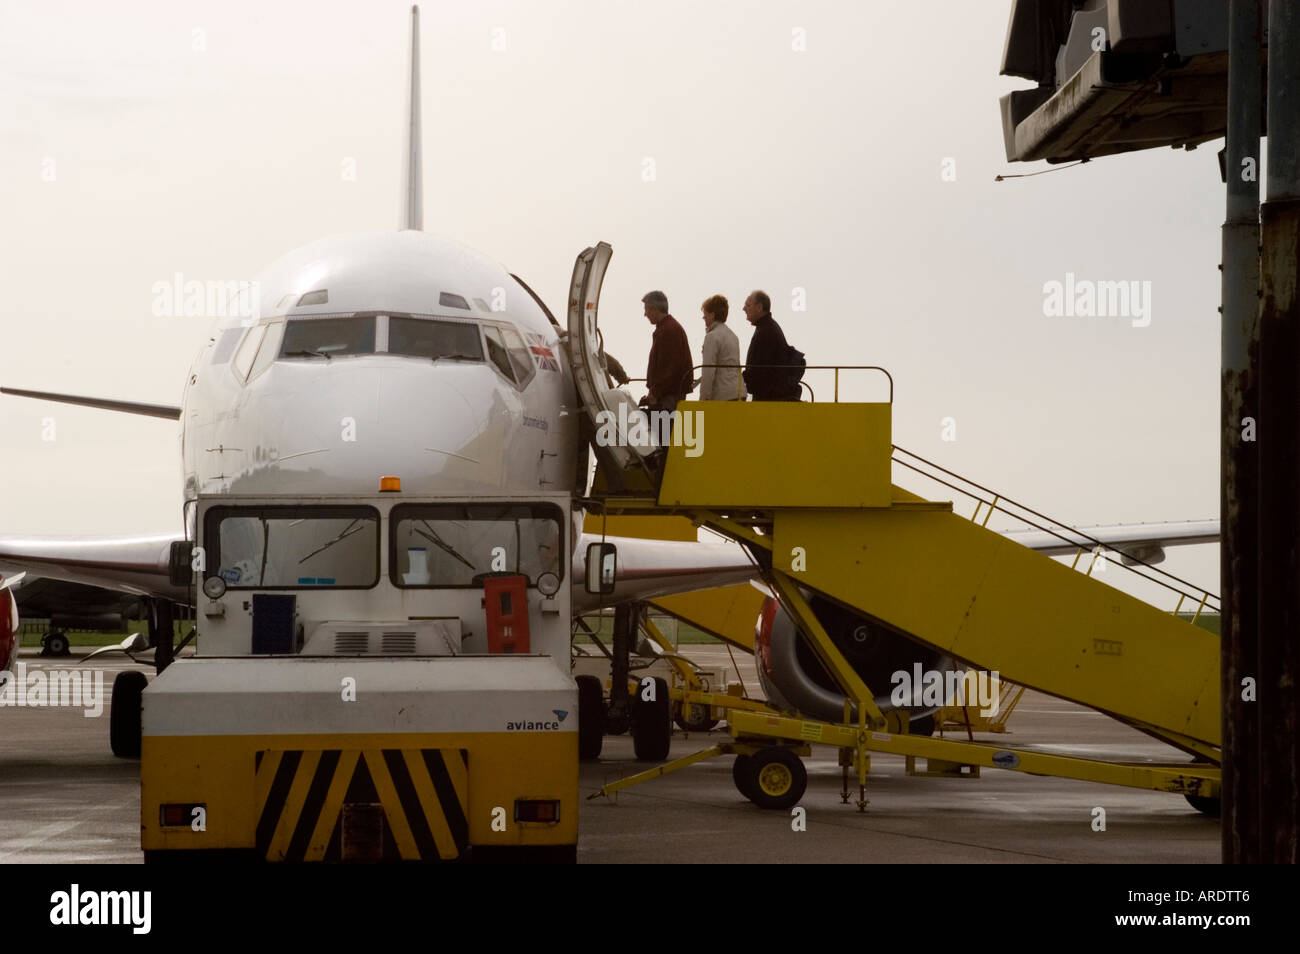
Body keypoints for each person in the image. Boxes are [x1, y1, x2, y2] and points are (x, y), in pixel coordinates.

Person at [640, 290, 693, 413]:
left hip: (668, 398)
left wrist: (654, 393)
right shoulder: (669, 328)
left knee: (662, 430)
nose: (645, 314)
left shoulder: (668, 331)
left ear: (654, 309)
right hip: (667, 394)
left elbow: (669, 369)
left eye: (646, 309)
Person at [742, 290, 798, 401]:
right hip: (770, 396)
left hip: (767, 399)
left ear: (759, 307)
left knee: (701, 415)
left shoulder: (766, 331)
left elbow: (761, 370)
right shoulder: (768, 327)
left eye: (748, 305)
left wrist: (741, 379)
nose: (744, 309)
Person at [698, 294, 745, 400]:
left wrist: (703, 398)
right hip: (739, 392)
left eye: (705, 315)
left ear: (712, 315)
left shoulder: (711, 337)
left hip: (723, 394)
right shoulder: (733, 336)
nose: (704, 318)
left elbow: (708, 371)